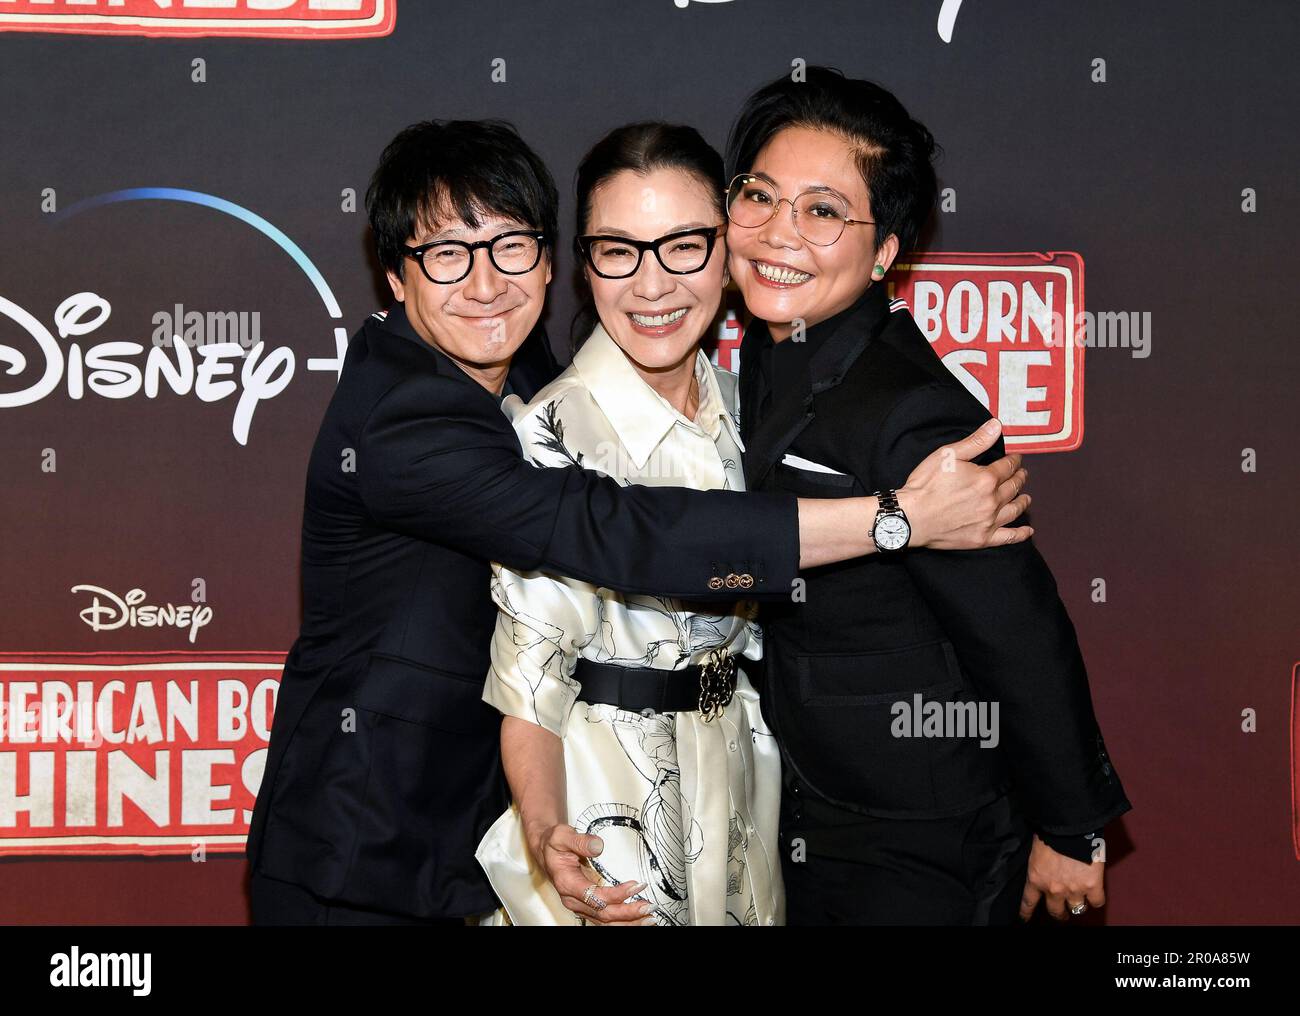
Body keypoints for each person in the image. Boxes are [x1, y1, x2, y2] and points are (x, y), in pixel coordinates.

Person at [245, 118, 1033, 925]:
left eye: (509, 247)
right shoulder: (407, 422)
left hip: (609, 819)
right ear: (395, 275)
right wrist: (896, 519)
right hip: (367, 847)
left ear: (551, 261)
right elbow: (619, 533)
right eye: (447, 255)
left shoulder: (576, 373)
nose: (485, 285)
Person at [724, 68, 1132, 925]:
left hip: (918, 818)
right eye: (758, 195)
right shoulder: (771, 348)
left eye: (823, 210)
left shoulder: (915, 411)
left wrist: (1071, 825)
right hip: (811, 788)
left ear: (884, 251)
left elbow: (1018, 629)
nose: (777, 232)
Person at [476, 123, 785, 926]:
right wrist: (547, 831)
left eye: (683, 245)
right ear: (586, 265)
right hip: (604, 796)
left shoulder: (752, 411)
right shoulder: (553, 435)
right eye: (619, 250)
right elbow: (529, 683)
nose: (652, 286)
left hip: (740, 773)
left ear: (726, 252)